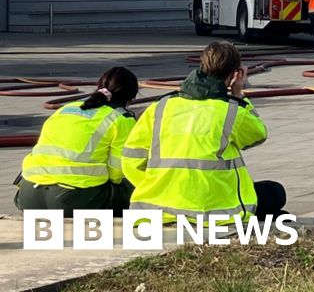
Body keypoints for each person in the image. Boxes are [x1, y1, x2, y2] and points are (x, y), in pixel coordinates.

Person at [122, 42, 286, 223]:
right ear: (235, 75)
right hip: (213, 208)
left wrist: (157, 184)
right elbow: (258, 133)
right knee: (275, 193)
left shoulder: (160, 107)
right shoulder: (231, 111)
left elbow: (130, 160)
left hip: (159, 206)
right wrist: (239, 95)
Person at [15, 67, 139, 216]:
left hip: (28, 197)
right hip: (70, 201)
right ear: (130, 97)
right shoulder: (121, 119)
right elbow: (117, 174)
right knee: (132, 185)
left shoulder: (66, 109)